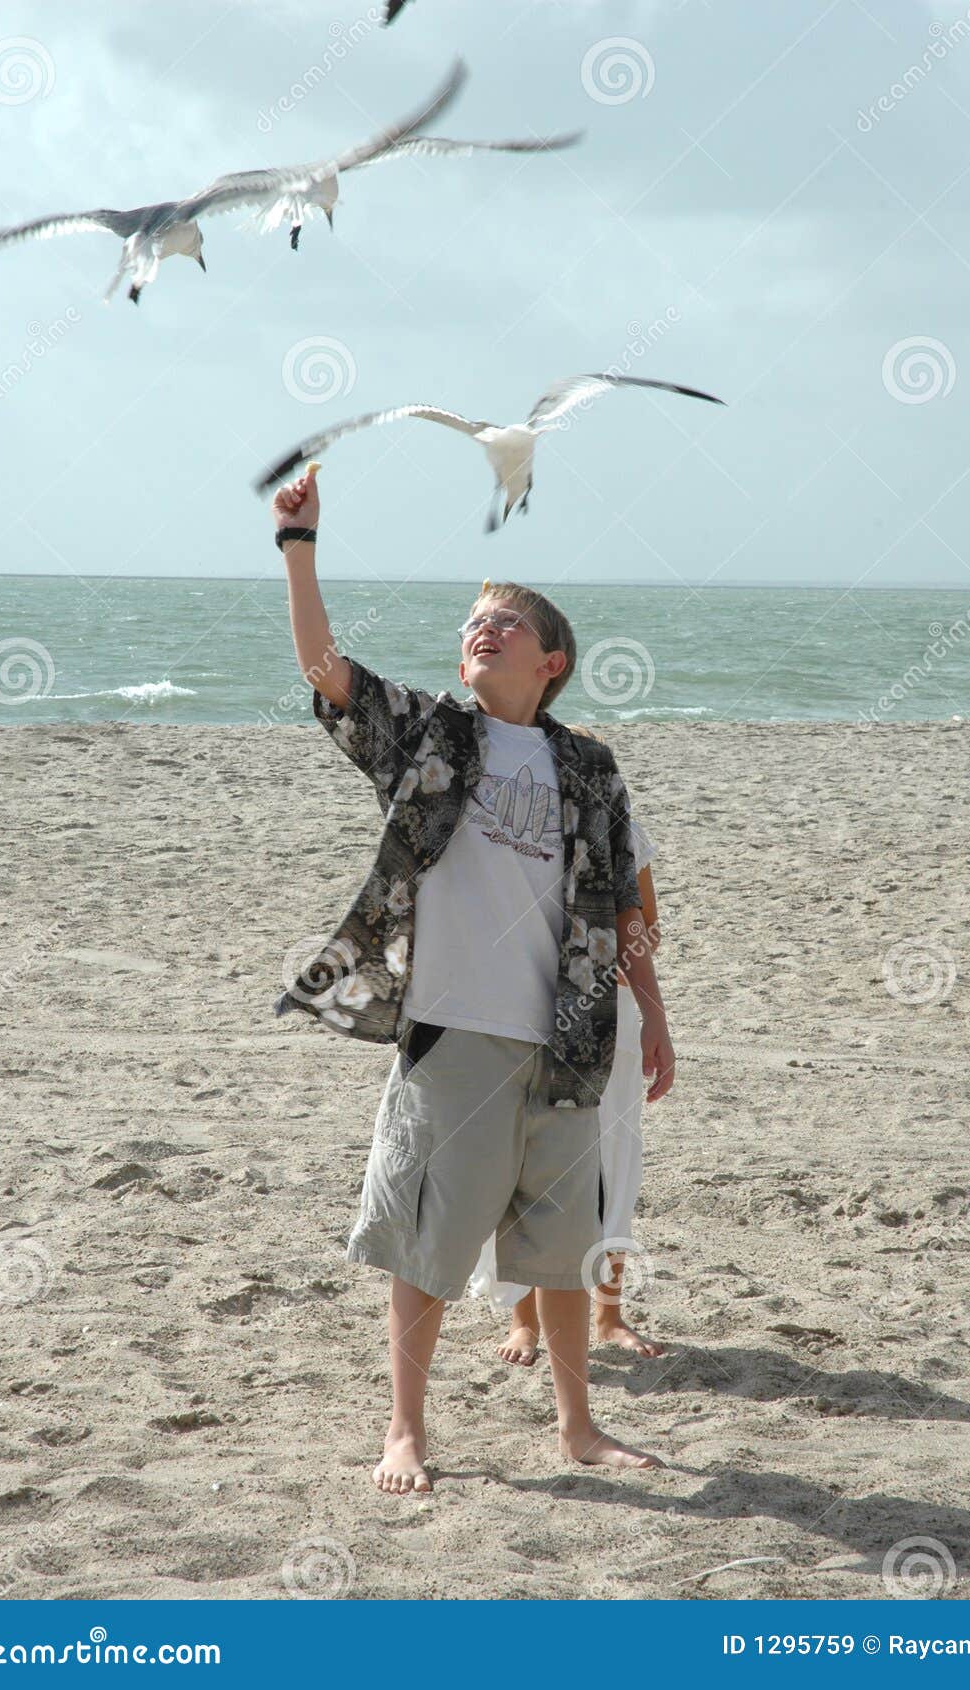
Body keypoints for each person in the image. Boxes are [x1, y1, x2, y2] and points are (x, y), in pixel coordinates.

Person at [272, 466, 676, 1496]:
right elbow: (324, 667)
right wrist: (300, 545)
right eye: (471, 621)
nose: (479, 630)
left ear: (552, 660)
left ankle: (577, 1428)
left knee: (558, 1245)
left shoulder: (587, 766)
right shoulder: (432, 733)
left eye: (502, 621)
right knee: (426, 1243)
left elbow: (625, 903)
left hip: (571, 1036)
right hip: (452, 1029)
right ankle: (404, 1430)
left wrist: (651, 1018)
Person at [469, 747, 665, 1364]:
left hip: (606, 1014)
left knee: (612, 1162)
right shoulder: (501, 822)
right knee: (517, 1163)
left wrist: (590, 946)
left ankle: (608, 1315)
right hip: (515, 1013)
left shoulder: (618, 827)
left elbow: (647, 930)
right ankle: (522, 1320)